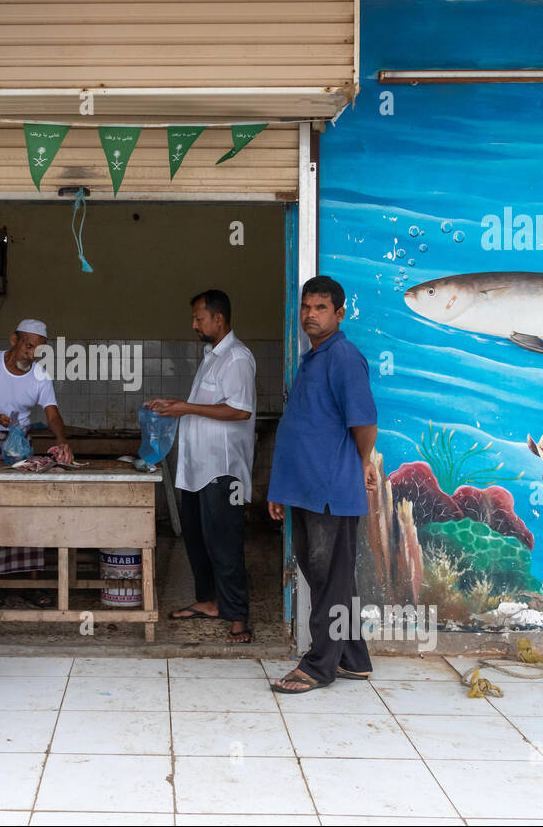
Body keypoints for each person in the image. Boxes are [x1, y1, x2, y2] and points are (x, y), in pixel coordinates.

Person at [267, 276, 380, 694]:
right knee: (332, 580)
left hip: (330, 491)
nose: (310, 315)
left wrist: (362, 462)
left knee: (329, 581)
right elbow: (305, 430)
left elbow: (364, 423)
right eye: (306, 307)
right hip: (306, 489)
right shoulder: (313, 358)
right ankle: (353, 658)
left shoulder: (344, 357)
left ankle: (319, 666)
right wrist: (282, 489)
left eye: (320, 309)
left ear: (339, 313)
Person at [146, 289, 256, 644]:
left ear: (218, 319)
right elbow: (205, 404)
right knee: (196, 540)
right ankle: (210, 601)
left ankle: (238, 617)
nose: (194, 324)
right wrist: (177, 405)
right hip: (196, 470)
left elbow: (240, 410)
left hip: (222, 472)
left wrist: (186, 408)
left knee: (225, 544)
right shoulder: (212, 356)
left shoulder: (237, 358)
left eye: (199, 318)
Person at [0, 318, 75, 609]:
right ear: (14, 340)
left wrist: (61, 439)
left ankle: (31, 582)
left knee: (26, 507)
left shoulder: (40, 376)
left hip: (20, 443)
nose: (33, 353)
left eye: (39, 349)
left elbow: (52, 414)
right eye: (28, 345)